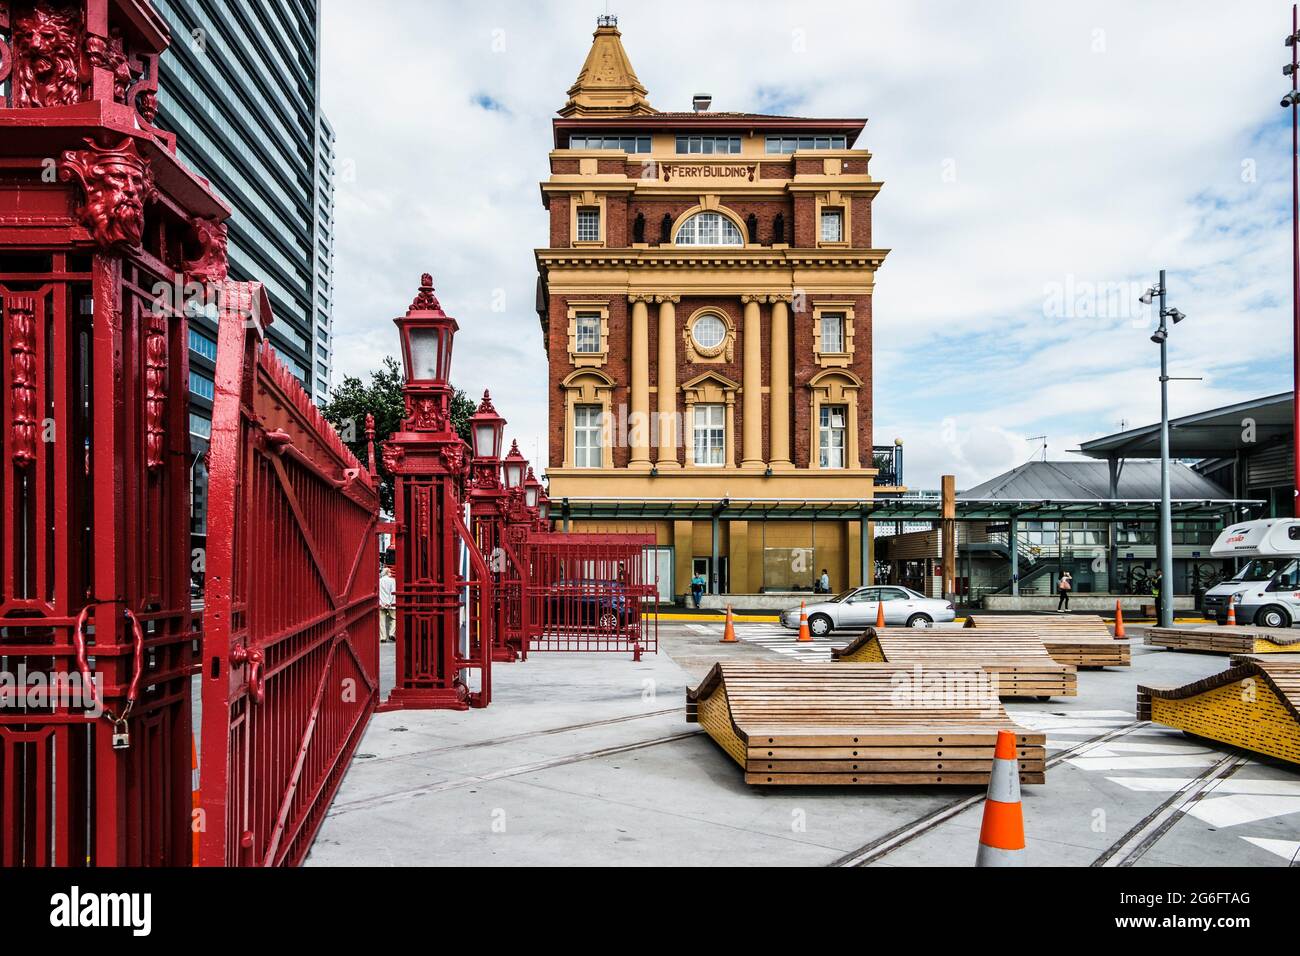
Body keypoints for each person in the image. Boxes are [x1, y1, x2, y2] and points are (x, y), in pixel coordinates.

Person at [379, 564, 396, 642]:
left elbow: (378, 593)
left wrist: (382, 603)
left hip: (381, 603)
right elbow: (393, 592)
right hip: (390, 603)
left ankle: (383, 637)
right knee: (394, 618)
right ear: (388, 573)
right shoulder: (392, 580)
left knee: (381, 621)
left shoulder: (379, 581)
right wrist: (389, 603)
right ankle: (391, 633)